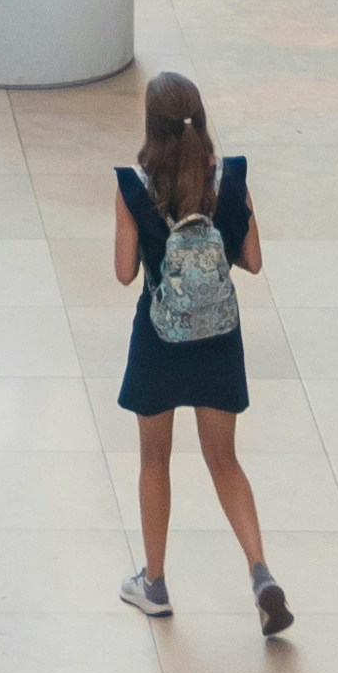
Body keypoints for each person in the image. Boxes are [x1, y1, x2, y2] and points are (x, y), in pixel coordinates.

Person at [115, 67, 289, 635]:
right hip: (219, 339)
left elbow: (123, 274)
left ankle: (156, 583)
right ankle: (260, 571)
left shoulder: (133, 186)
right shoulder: (230, 178)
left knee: (153, 460)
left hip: (159, 340)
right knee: (224, 461)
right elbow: (255, 260)